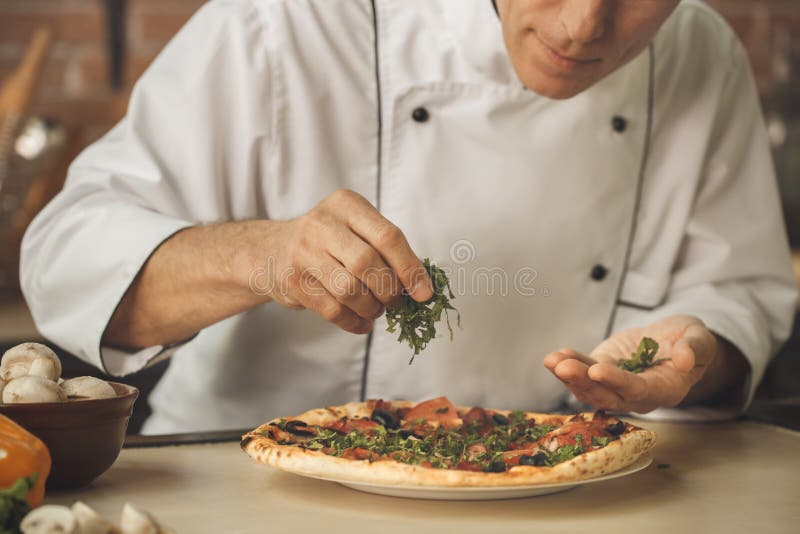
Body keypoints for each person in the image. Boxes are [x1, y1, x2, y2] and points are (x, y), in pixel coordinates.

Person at [20, 0, 796, 433]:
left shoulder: (702, 53)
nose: (583, 26)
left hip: (547, 495)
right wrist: (259, 255)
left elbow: (741, 292)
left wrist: (696, 351)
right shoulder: (284, 23)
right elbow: (67, 257)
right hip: (250, 487)